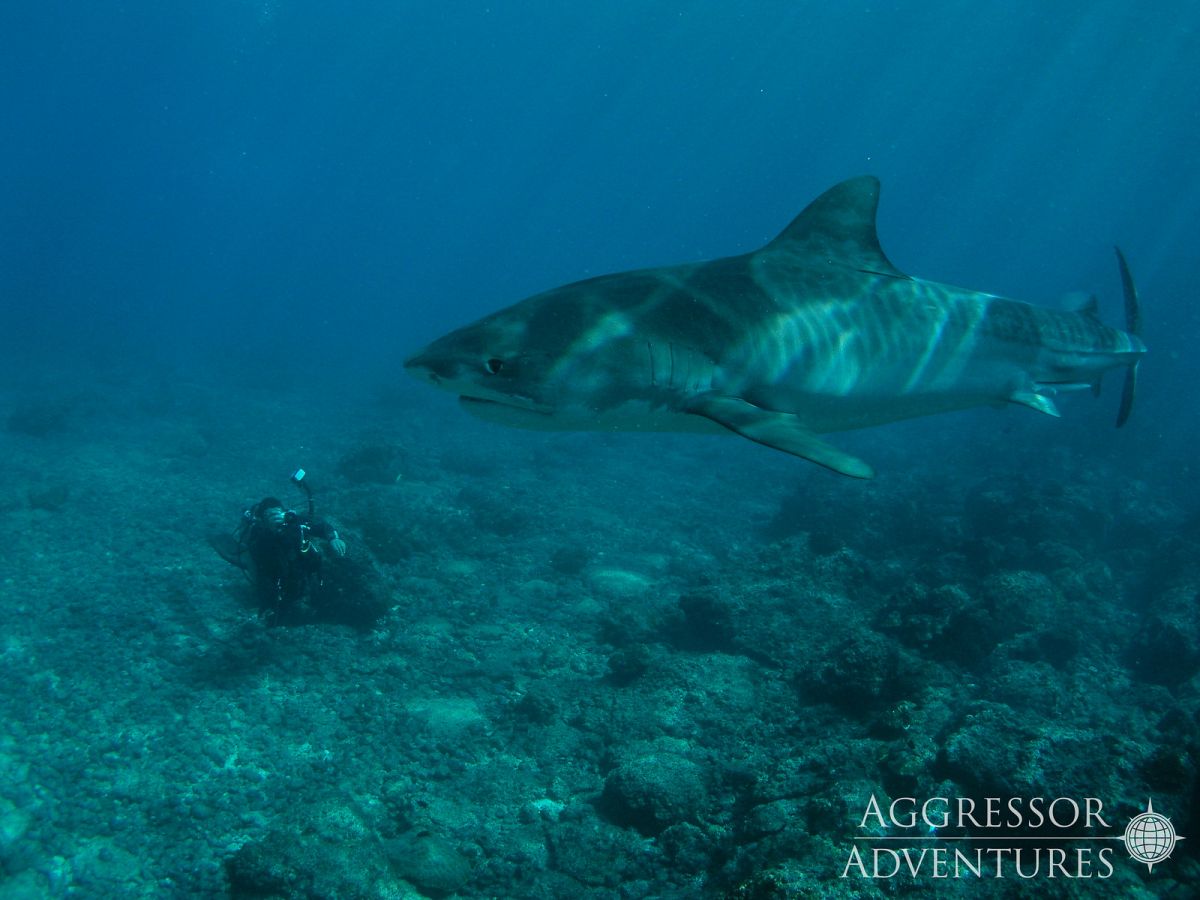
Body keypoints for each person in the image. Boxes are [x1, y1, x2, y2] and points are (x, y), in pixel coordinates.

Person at [237, 480, 347, 625]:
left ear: (285, 512)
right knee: (272, 604)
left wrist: (334, 539)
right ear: (262, 519)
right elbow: (245, 543)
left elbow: (323, 527)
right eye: (269, 514)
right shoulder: (259, 532)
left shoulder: (295, 523)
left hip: (301, 572)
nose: (275, 516)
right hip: (273, 577)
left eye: (277, 512)